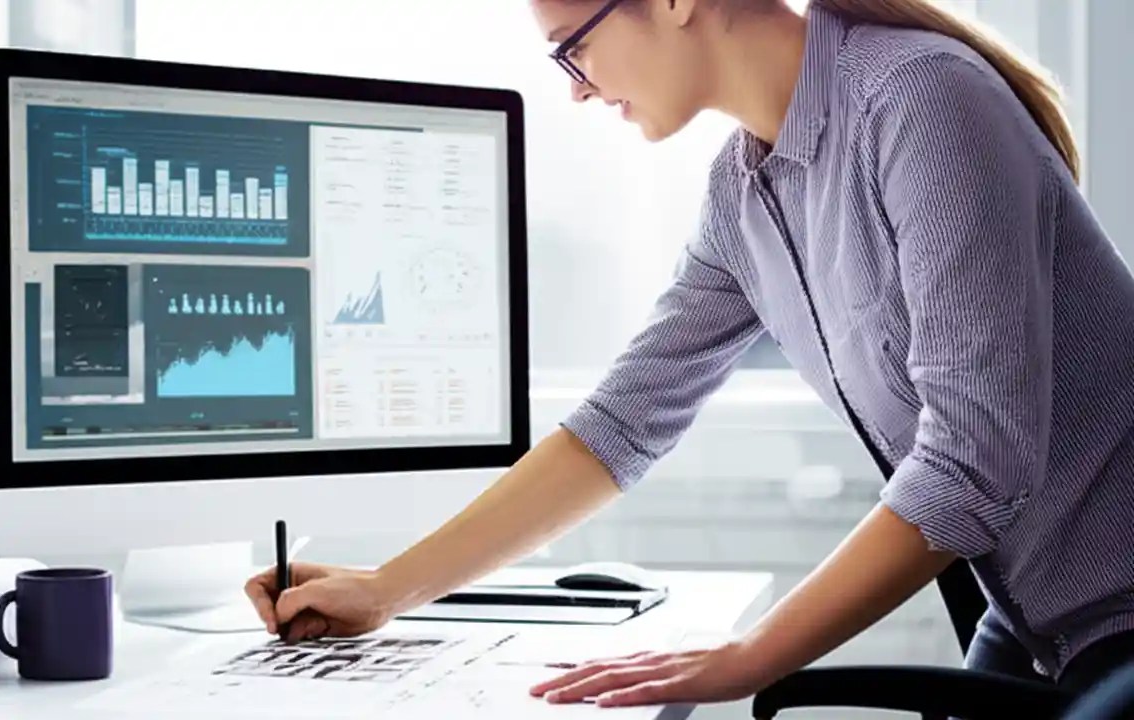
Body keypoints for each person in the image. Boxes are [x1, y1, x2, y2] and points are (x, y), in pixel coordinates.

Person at [246, 0, 1134, 709]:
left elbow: (975, 464)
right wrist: (389, 588)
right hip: (1039, 627)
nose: (577, 91)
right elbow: (622, 425)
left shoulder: (918, 100)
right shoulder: (743, 191)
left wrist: (750, 657)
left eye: (573, 47)